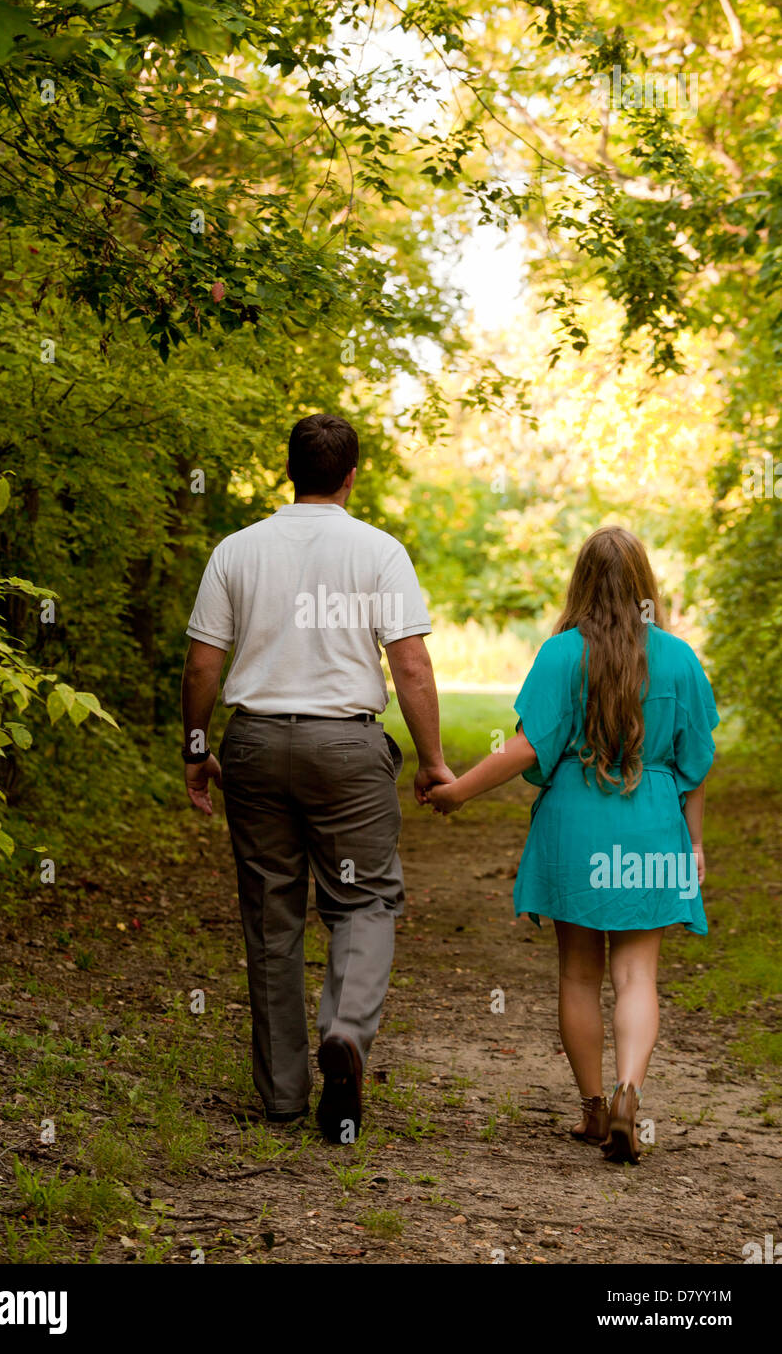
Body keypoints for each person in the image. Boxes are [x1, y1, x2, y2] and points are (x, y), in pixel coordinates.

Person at [181, 414, 454, 1142]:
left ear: (289, 470)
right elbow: (412, 665)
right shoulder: (379, 552)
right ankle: (346, 1034)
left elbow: (204, 663)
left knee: (272, 916)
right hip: (347, 757)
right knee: (362, 901)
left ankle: (281, 1096)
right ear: (352, 474)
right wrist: (431, 761)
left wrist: (196, 745)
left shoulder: (236, 550)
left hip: (257, 746)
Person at [427, 526, 718, 1162]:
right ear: (645, 587)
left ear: (581, 584)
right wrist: (693, 847)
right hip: (651, 831)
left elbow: (528, 747)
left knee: (579, 973)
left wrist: (458, 792)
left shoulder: (561, 654)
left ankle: (592, 1111)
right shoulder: (679, 659)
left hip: (577, 827)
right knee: (638, 973)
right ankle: (627, 1094)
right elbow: (695, 768)